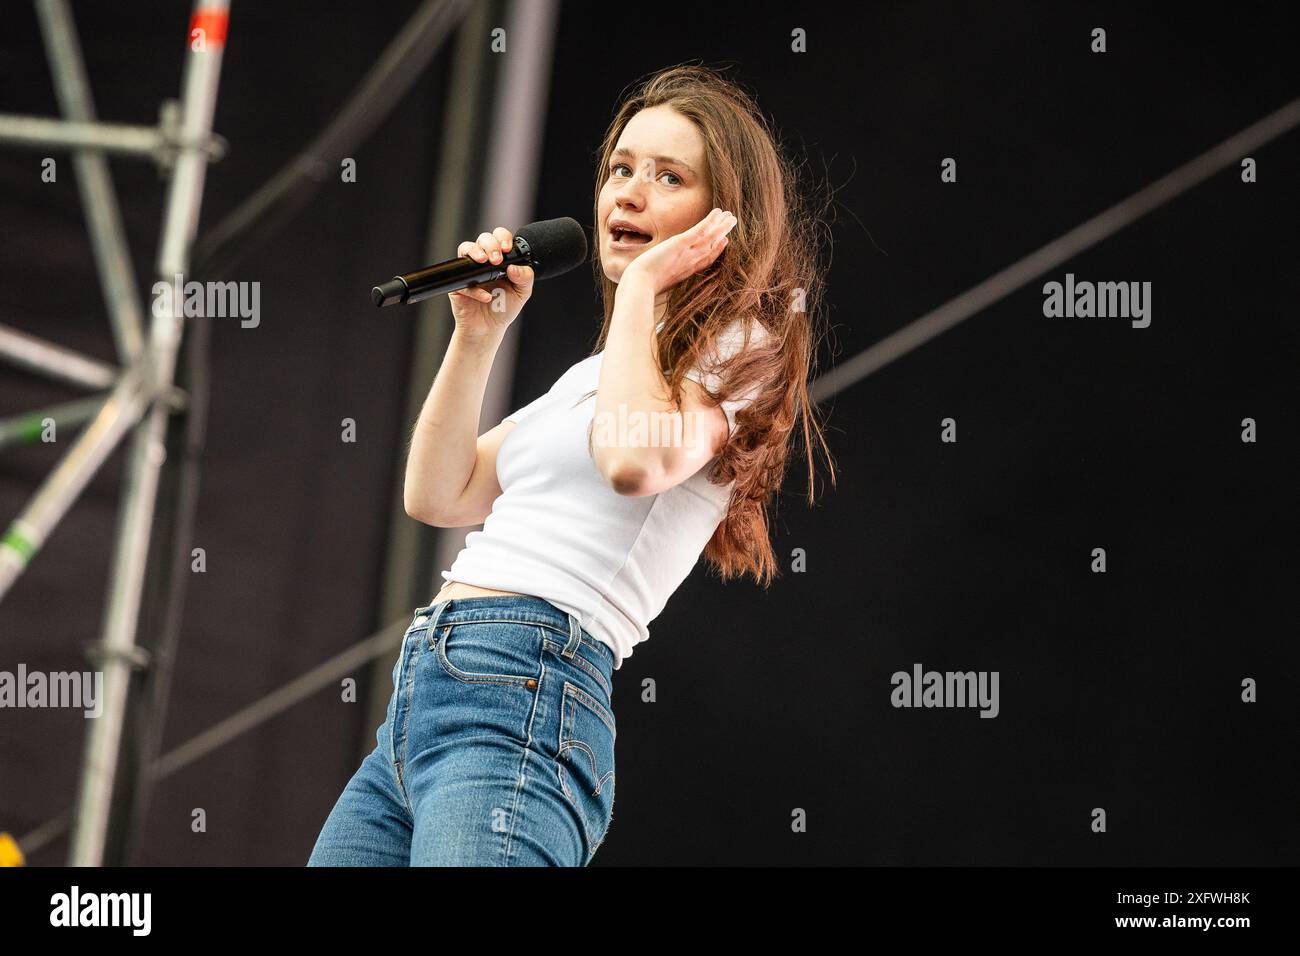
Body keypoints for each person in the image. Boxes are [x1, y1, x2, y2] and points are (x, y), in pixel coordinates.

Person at [308, 64, 835, 867]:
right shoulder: (598, 376)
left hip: (527, 688)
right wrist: (477, 336)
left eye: (668, 177)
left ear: (724, 219)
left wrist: (643, 289)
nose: (627, 192)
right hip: (424, 698)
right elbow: (438, 492)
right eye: (620, 168)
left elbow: (631, 462)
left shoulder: (743, 349)